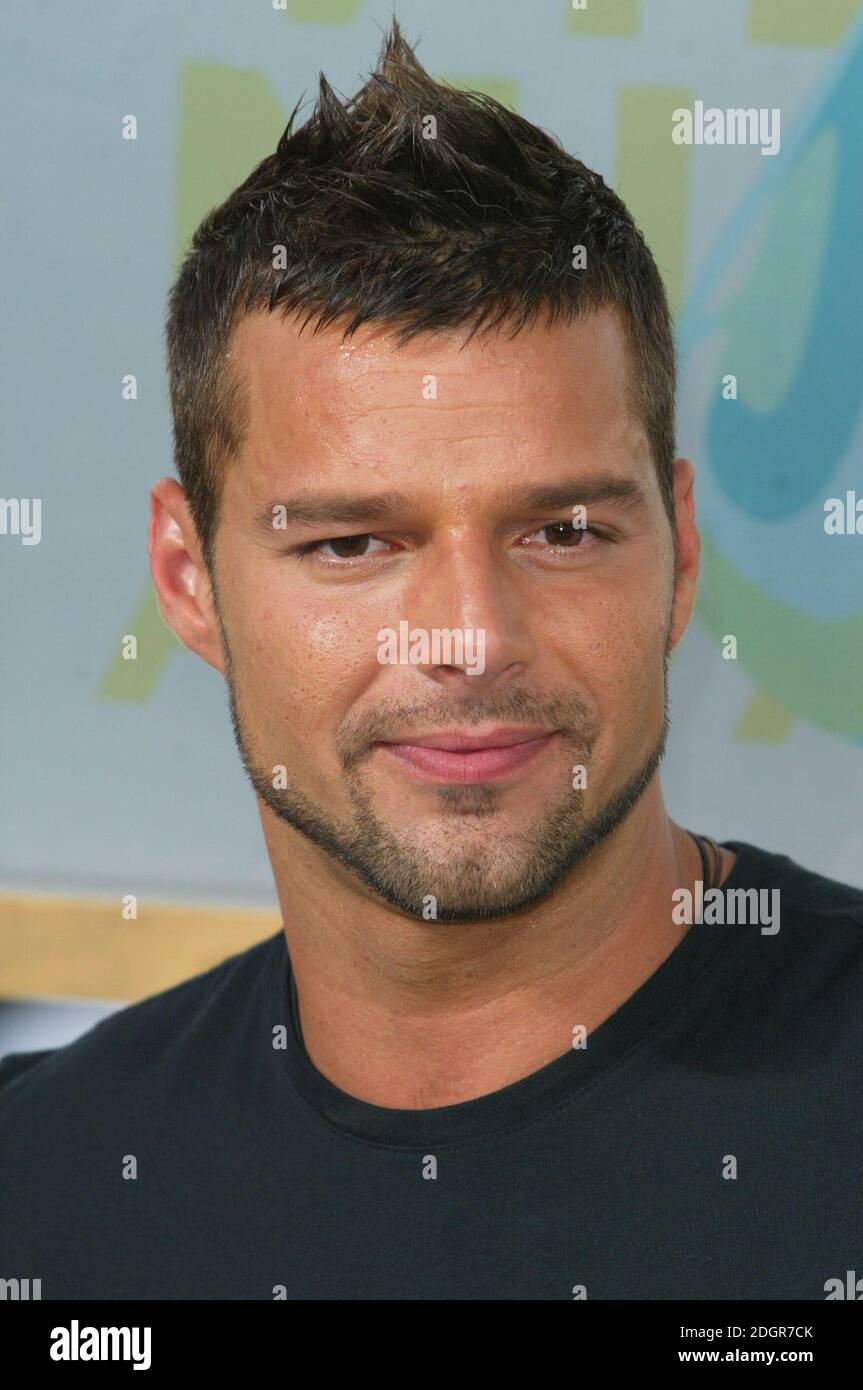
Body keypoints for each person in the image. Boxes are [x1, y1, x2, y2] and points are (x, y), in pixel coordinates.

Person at [1, 20, 860, 1301]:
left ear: (678, 553)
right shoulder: (44, 1179)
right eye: (354, 543)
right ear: (188, 580)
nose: (468, 638)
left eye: (561, 532)